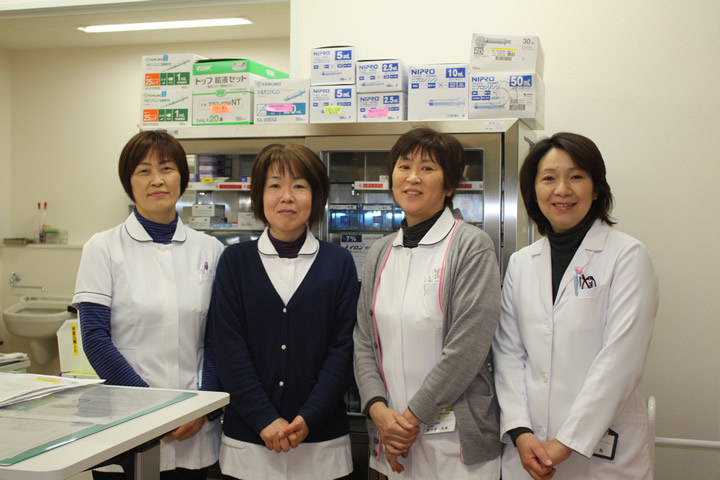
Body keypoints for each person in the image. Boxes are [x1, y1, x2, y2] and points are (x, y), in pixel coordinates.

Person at [493, 132, 659, 479]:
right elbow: (508, 353)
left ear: (596, 189)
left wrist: (565, 443)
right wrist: (521, 431)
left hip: (602, 455)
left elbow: (620, 361)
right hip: (528, 449)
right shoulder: (521, 263)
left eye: (577, 177)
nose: (562, 190)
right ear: (533, 190)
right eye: (548, 178)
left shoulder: (627, 256)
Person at [73, 130, 224, 479]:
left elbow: (217, 339)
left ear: (182, 178)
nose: (157, 180)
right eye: (144, 171)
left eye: (166, 168)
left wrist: (203, 406)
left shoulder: (210, 250)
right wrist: (153, 409)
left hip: (193, 425)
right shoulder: (103, 248)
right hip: (125, 421)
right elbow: (95, 338)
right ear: (129, 183)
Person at [353, 127, 502, 479]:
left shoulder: (471, 246)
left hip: (454, 442)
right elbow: (364, 341)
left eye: (428, 168)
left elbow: (467, 349)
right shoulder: (380, 252)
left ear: (450, 185)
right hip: (391, 435)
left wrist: (408, 420)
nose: (413, 178)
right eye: (404, 166)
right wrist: (379, 412)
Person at [207, 144, 358, 480]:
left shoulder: (339, 263)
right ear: (259, 196)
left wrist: (310, 417)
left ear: (316, 196)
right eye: (275, 185)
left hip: (322, 441)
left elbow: (343, 349)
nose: (286, 197)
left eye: (299, 186)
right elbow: (228, 348)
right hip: (249, 439)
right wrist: (264, 418)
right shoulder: (235, 262)